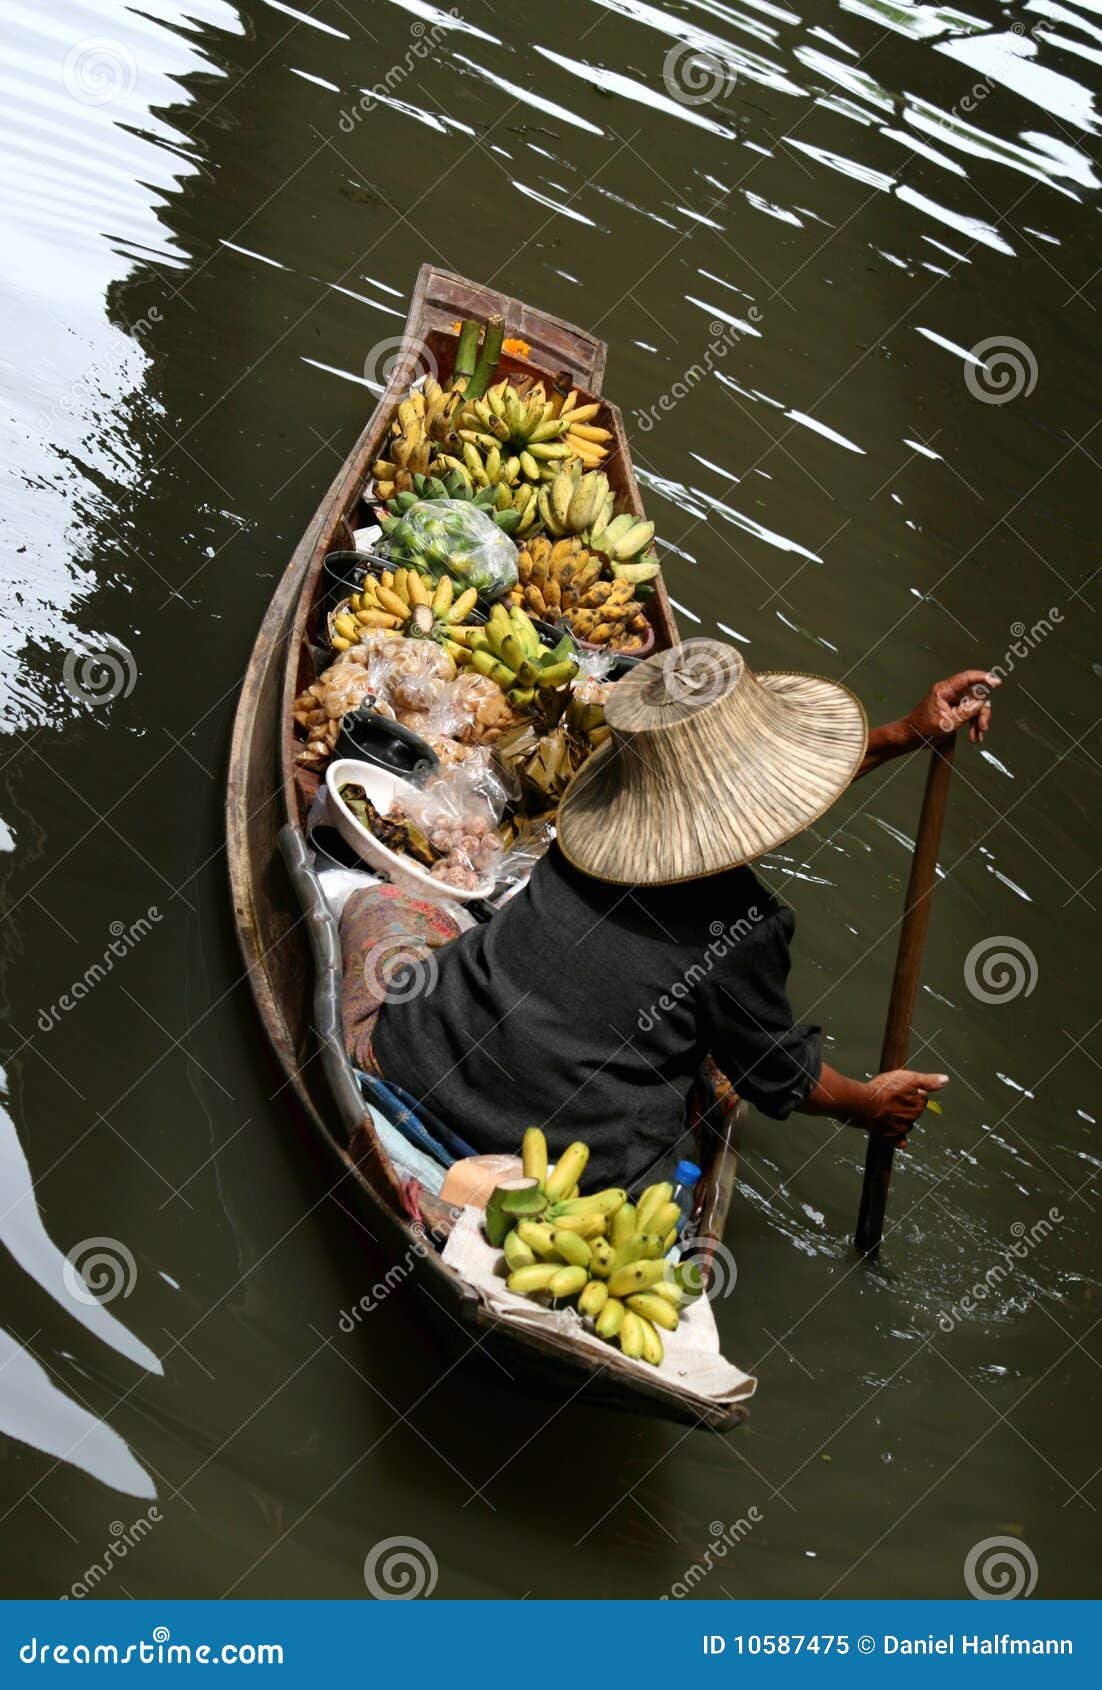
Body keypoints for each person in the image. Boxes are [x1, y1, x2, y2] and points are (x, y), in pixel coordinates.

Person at [345, 641, 998, 1191]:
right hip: (546, 1155)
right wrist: (868, 1104)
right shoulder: (745, 927)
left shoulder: (588, 830)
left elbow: (752, 796)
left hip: (413, 1051)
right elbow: (776, 1076)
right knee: (690, 1112)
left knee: (378, 907)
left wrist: (905, 735)